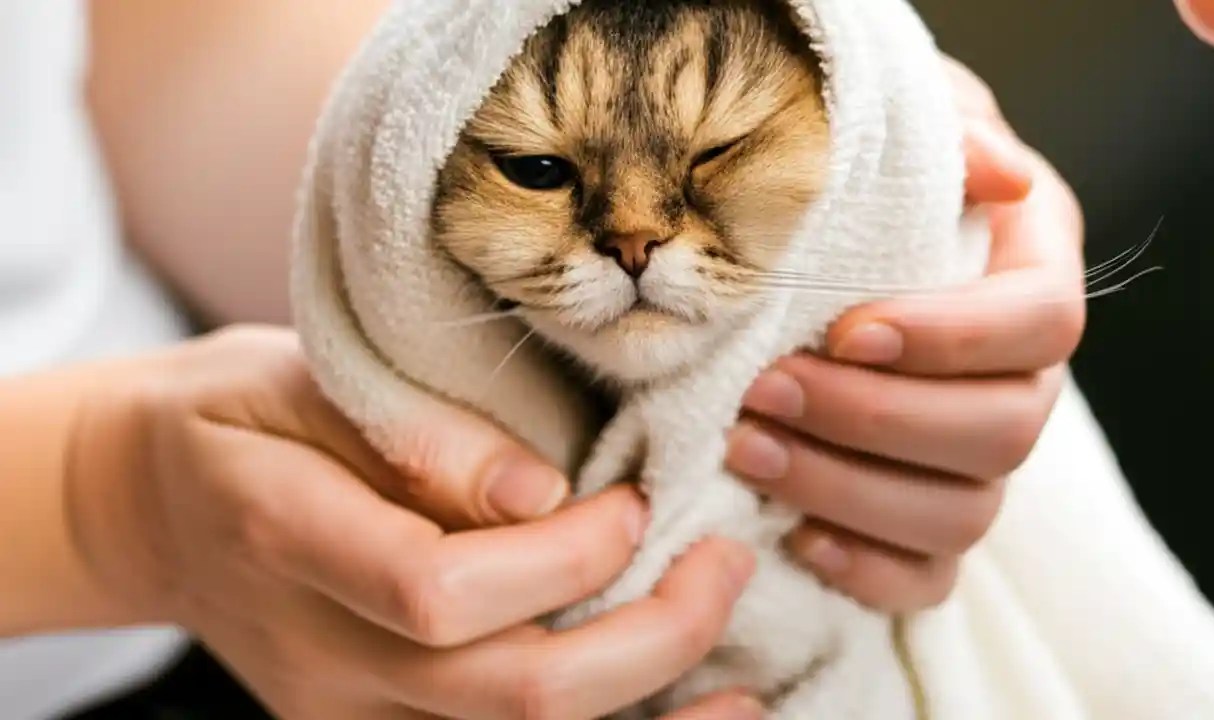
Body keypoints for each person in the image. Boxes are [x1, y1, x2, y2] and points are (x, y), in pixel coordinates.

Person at [0, 2, 1088, 719]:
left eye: (713, 154)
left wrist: (891, 171)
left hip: (272, 562)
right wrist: (96, 504)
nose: (634, 233)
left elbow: (143, 49)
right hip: (184, 601)